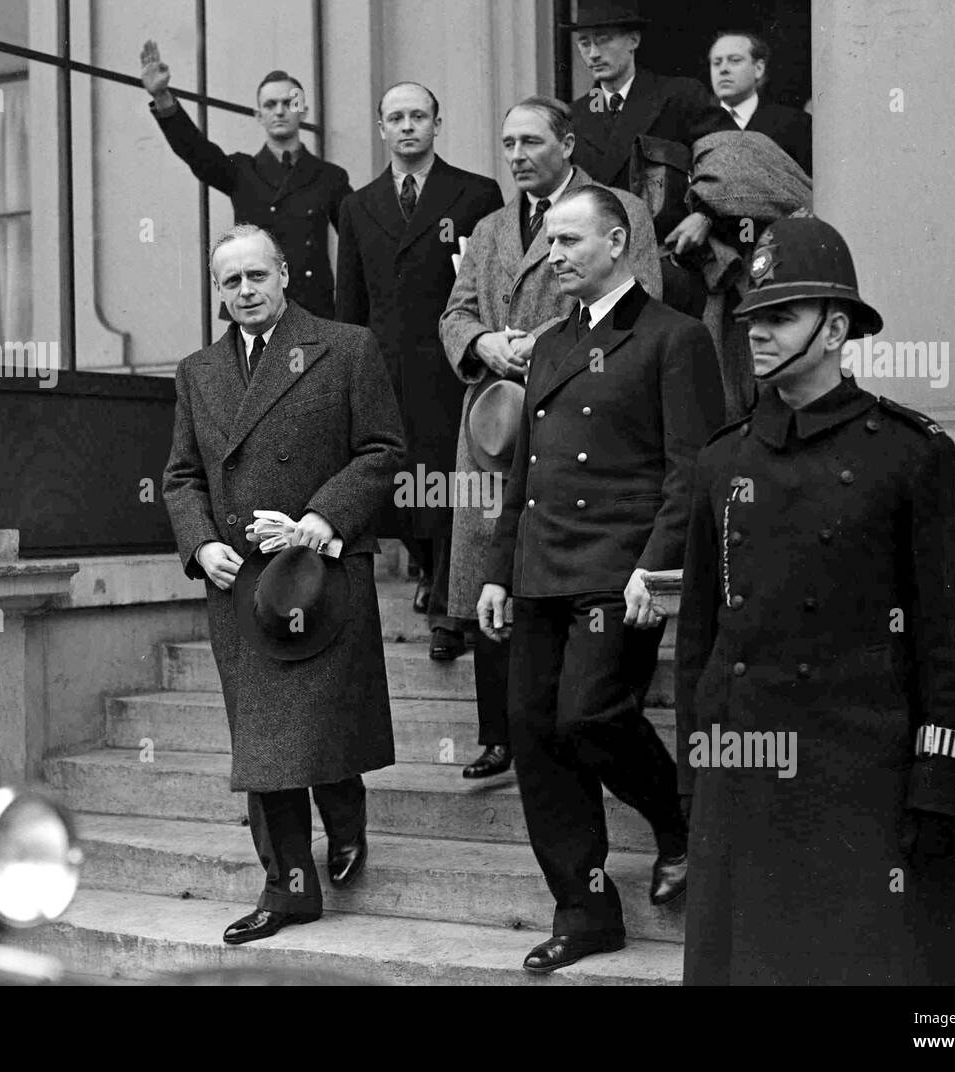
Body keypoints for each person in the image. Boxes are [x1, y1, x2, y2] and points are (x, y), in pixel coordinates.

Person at [674, 216, 955, 984]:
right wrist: (698, 771)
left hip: (866, 788)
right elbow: (699, 638)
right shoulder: (724, 460)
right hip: (744, 780)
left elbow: (954, 638)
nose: (757, 332)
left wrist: (942, 785)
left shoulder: (911, 456)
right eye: (753, 315)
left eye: (781, 315)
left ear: (836, 327)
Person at [478, 186, 725, 973]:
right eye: (550, 242)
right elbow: (524, 470)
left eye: (570, 241)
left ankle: (678, 820)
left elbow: (693, 468)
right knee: (534, 730)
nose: (554, 256)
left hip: (622, 572)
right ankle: (584, 909)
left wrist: (658, 567)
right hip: (543, 567)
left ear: (617, 242)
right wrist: (494, 574)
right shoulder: (549, 344)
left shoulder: (673, 338)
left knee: (588, 716)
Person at [162, 224, 404, 945]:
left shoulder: (346, 346)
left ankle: (346, 816)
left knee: (323, 725)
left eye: (256, 277)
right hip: (238, 581)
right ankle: (289, 887)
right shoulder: (197, 372)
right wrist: (201, 544)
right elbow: (181, 476)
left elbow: (384, 450)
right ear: (218, 291)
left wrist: (317, 517)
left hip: (317, 569)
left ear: (285, 274)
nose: (245, 292)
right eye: (231, 282)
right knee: (264, 747)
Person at [440, 95, 662, 781]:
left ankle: (568, 726)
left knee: (541, 566)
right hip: (492, 418)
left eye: (531, 142)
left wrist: (534, 346)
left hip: (577, 413)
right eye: (507, 144)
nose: (516, 156)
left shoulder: (618, 211)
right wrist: (481, 342)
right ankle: (497, 733)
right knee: (489, 560)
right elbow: (455, 310)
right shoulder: (488, 228)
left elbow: (639, 296)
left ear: (568, 144)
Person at [336, 83, 503, 660]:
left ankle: (447, 612)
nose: (407, 126)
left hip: (454, 361)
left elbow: (493, 279)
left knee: (450, 474)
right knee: (402, 476)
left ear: (437, 123)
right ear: (381, 128)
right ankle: (429, 568)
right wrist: (347, 371)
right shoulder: (358, 206)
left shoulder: (477, 194)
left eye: (418, 116)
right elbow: (349, 303)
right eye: (395, 118)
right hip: (386, 365)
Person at [140, 42, 351, 319]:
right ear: (258, 115)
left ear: (304, 111)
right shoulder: (241, 171)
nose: (279, 111)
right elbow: (195, 150)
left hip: (313, 312)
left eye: (289, 103)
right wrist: (163, 96)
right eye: (270, 105)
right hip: (253, 309)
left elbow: (359, 236)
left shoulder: (330, 177)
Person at [565, 1, 735, 263]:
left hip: (674, 257)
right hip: (601, 263)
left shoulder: (680, 96)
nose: (593, 53)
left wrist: (706, 217)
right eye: (584, 43)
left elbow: (730, 156)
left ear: (634, 39)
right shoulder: (574, 116)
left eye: (603, 40)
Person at [709, 30, 813, 175]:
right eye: (716, 63)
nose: (723, 69)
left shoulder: (795, 124)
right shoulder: (695, 124)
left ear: (758, 68)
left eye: (735, 60)